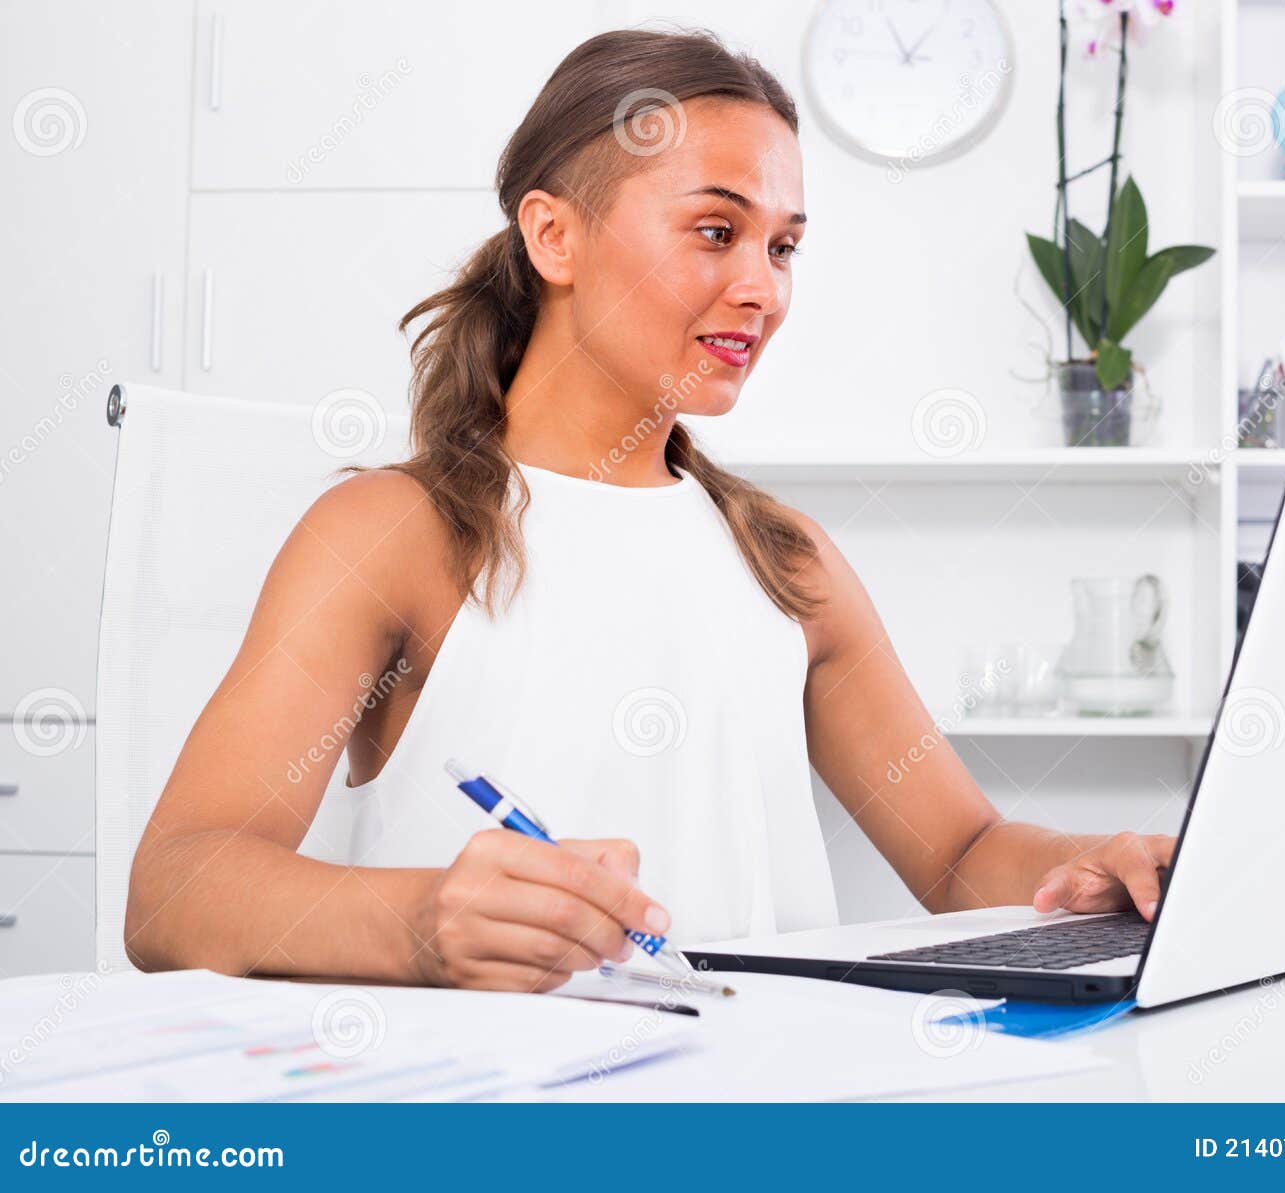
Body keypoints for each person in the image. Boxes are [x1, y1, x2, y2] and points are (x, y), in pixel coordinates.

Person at [125, 27, 1174, 992]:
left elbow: (958, 854)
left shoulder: (785, 559)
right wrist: (420, 922)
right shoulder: (394, 533)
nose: (763, 289)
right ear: (554, 236)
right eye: (716, 231)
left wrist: (1087, 863)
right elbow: (175, 890)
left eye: (782, 247)